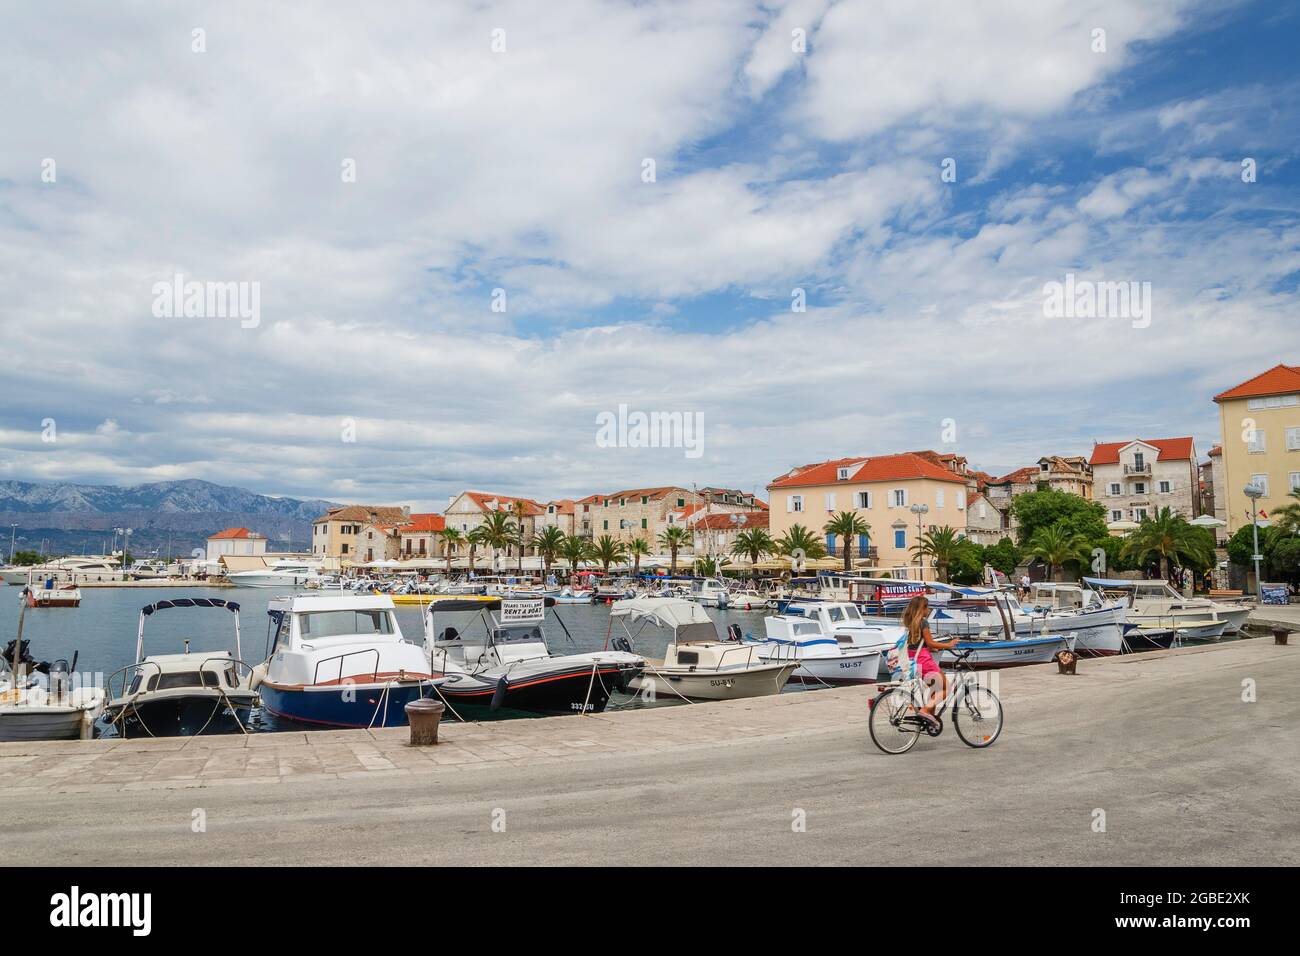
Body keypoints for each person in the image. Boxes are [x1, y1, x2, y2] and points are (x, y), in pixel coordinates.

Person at [901, 595, 959, 729]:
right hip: (924, 660)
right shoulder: (923, 622)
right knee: (946, 688)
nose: (929, 609)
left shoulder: (910, 622)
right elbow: (930, 642)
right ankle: (926, 711)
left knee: (935, 688)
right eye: (927, 607)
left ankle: (930, 720)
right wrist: (949, 644)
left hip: (914, 658)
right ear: (922, 608)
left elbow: (920, 643)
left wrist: (931, 649)